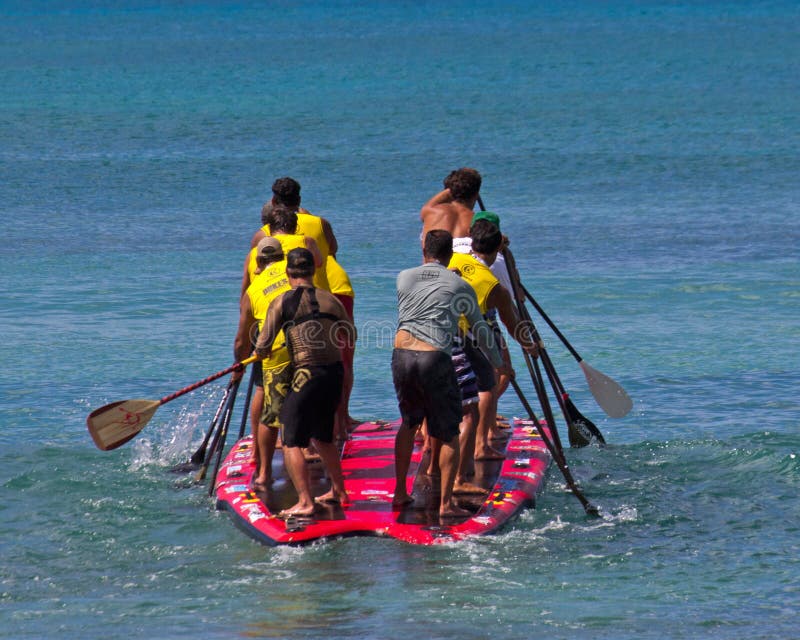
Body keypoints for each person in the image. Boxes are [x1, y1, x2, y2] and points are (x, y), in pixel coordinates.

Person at [391, 229, 505, 519]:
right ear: (450, 255)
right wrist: (498, 361)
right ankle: (445, 504)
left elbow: (425, 295)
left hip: (402, 354)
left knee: (409, 422)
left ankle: (400, 493)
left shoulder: (403, 277)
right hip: (435, 356)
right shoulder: (460, 285)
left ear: (424, 252)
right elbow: (479, 328)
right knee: (449, 430)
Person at [254, 248, 356, 518]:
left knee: (290, 438)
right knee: (323, 437)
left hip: (306, 374)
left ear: (288, 273)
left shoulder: (282, 300)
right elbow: (351, 333)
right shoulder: (331, 300)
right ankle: (339, 491)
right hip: (333, 373)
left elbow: (263, 344)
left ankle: (305, 502)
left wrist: (259, 353)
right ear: (313, 271)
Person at [449, 218, 539, 460]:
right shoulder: (494, 286)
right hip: (471, 337)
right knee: (489, 385)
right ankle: (481, 446)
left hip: (440, 335)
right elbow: (513, 325)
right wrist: (531, 346)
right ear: (498, 246)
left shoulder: (454, 258)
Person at [232, 237, 293, 489]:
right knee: (303, 411)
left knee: (271, 416)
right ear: (282, 257)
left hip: (275, 357)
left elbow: (241, 339)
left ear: (258, 262)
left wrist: (239, 364)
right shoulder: (297, 274)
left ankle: (264, 471)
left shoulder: (253, 291)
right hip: (311, 351)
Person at [250, 177, 338, 282]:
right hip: (319, 293)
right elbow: (332, 250)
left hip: (279, 295)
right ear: (299, 200)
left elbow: (254, 270)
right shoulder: (321, 224)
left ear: (273, 201)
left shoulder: (263, 233)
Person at [240, 204, 323, 297]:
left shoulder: (253, 253)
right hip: (302, 299)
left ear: (269, 228)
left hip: (263, 301)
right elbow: (319, 263)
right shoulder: (306, 241)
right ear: (296, 227)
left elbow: (245, 291)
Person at [325, 254, 357, 438]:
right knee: (344, 358)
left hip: (327, 286)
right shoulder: (321, 229)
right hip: (338, 284)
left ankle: (340, 422)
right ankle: (343, 418)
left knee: (337, 359)